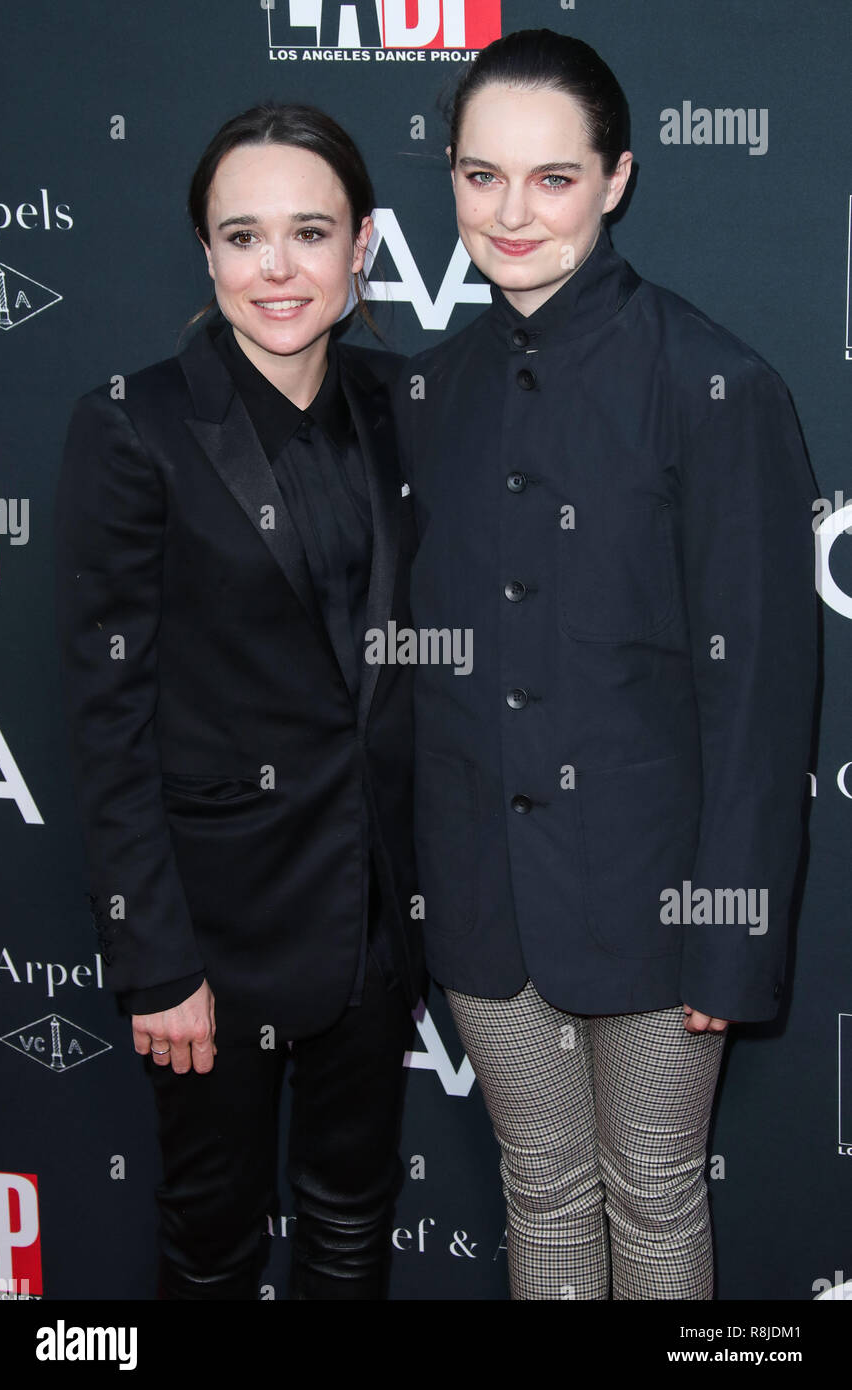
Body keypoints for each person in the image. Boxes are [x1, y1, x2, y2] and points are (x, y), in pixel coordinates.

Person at [394, 30, 818, 1300]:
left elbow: (760, 697)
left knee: (649, 1193)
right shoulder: (427, 392)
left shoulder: (714, 384)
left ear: (616, 178)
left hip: (659, 905)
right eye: (480, 177)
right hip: (481, 899)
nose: (511, 214)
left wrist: (729, 934)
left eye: (551, 179)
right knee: (542, 1194)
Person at [54, 102, 424, 1301]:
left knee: (351, 1228)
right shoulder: (133, 424)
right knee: (210, 1245)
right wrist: (152, 958)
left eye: (309, 232)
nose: (277, 268)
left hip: (374, 923)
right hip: (214, 934)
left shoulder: (403, 406)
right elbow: (105, 722)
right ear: (204, 250)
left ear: (361, 246)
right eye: (243, 235)